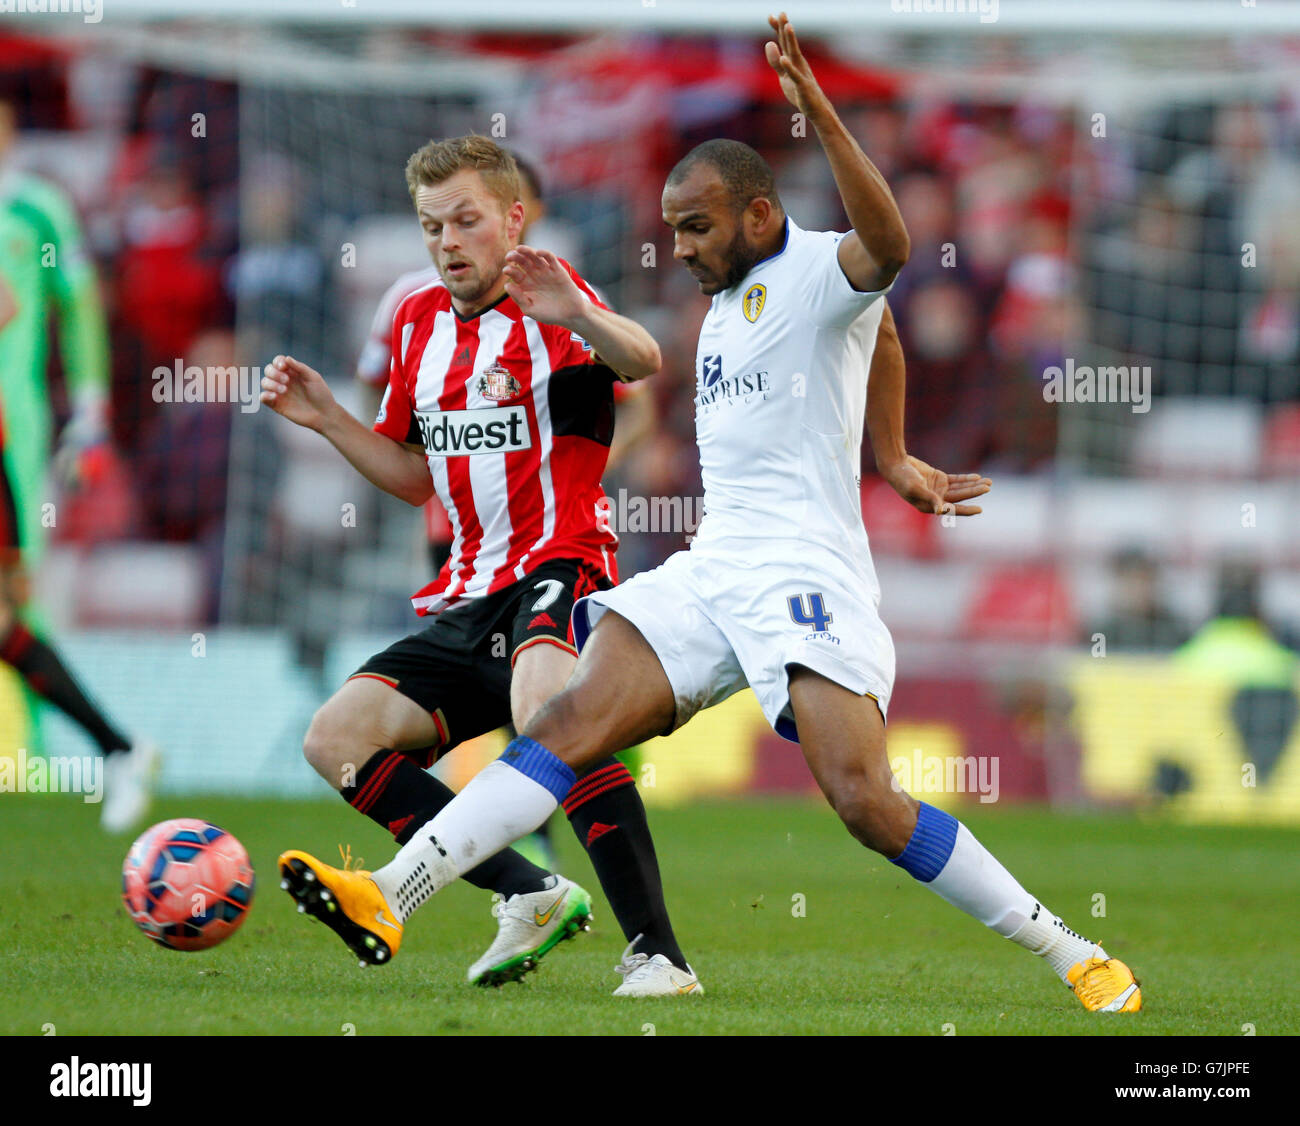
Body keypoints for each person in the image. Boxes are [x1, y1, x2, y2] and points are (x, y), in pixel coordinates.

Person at [303, 15, 1144, 1014]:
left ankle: (1066, 946)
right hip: (712, 570)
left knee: (865, 803)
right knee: (567, 720)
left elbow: (891, 251)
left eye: (697, 228)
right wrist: (890, 452)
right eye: (673, 232)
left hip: (806, 576)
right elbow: (879, 346)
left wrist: (820, 110)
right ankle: (394, 894)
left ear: (753, 212)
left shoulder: (820, 267)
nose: (682, 249)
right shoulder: (728, 296)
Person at [262, 136, 699, 995]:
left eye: (465, 220)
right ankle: (528, 890)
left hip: (563, 566)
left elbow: (644, 362)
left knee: (550, 712)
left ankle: (658, 955)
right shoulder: (419, 322)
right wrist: (327, 422)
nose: (448, 241)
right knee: (337, 740)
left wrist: (573, 311)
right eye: (432, 226)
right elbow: (412, 473)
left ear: (512, 218)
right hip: (466, 592)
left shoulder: (556, 304)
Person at [0, 94, 155, 833]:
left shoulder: (34, 212)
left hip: (11, 432)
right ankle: (114, 748)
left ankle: (31, 753)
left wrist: (88, 416)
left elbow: (27, 306)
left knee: (9, 609)